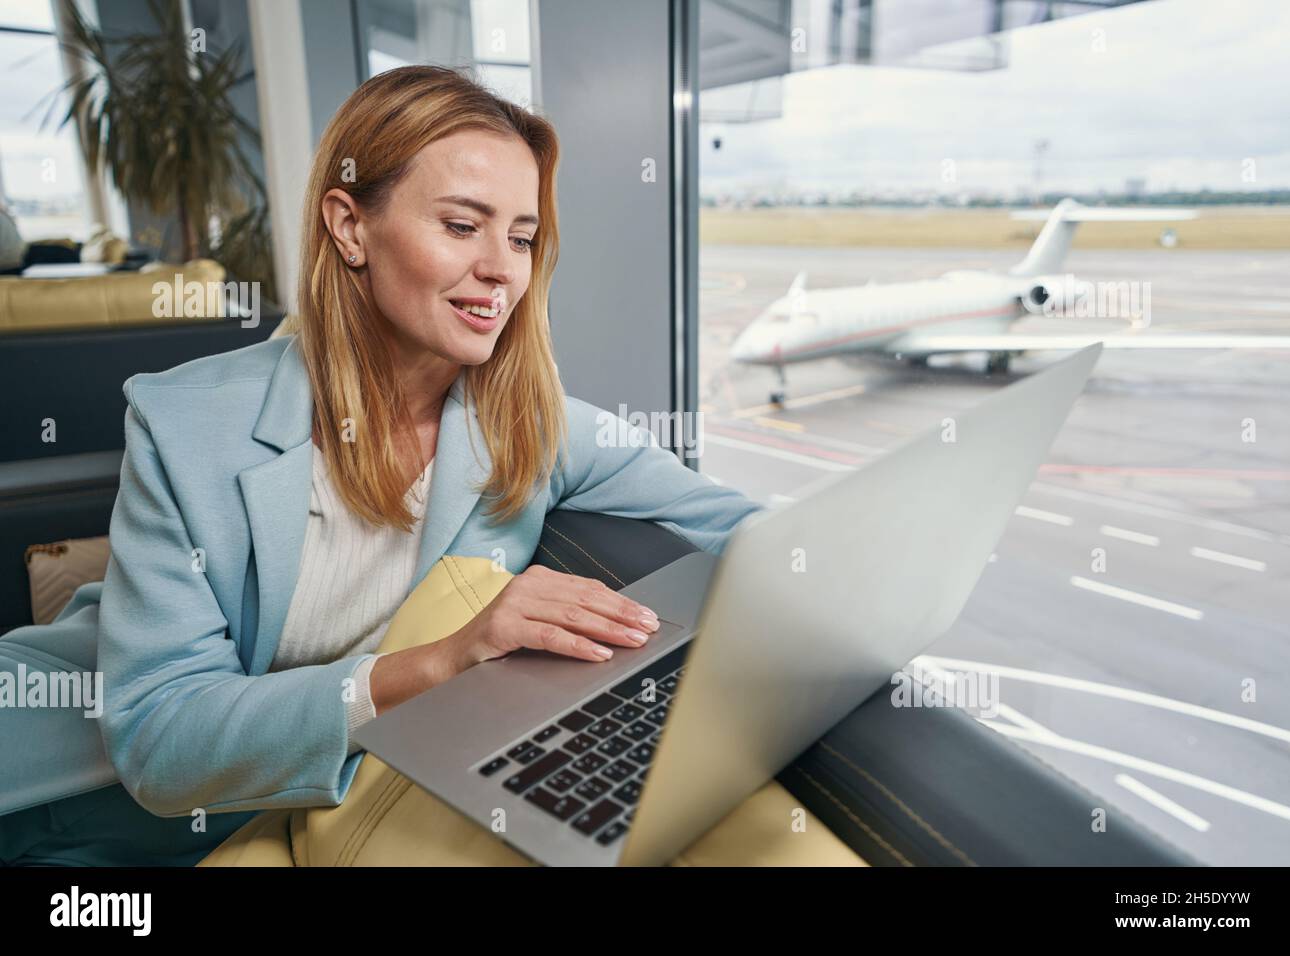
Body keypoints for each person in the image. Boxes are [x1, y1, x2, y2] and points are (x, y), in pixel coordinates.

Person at [0, 65, 765, 866]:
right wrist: (442, 660)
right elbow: (161, 744)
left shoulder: (531, 427)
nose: (504, 269)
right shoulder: (187, 423)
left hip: (267, 813)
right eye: (463, 226)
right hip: (63, 797)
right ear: (350, 226)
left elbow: (749, 532)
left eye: (522, 236)